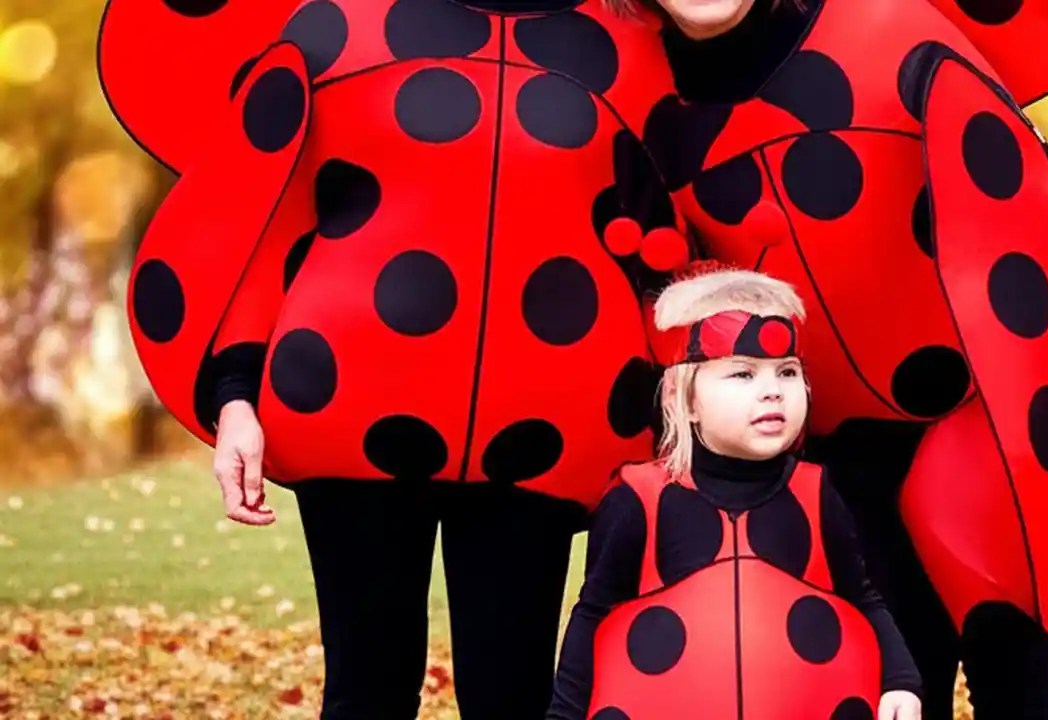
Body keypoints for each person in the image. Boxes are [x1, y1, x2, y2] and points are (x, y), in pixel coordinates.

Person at [604, 0, 1048, 717]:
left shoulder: (886, 28)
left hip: (977, 426)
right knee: (892, 690)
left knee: (1016, 678)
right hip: (827, 456)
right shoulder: (644, 102)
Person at [103, 0, 689, 717]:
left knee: (511, 695)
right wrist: (234, 397)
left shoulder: (631, 47)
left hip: (546, 423)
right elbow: (260, 221)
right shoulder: (334, 27)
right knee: (367, 692)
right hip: (350, 408)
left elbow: (670, 245)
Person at [547, 265, 924, 720]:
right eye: (743, 375)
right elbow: (593, 617)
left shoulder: (815, 492)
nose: (772, 392)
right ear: (682, 401)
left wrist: (901, 681)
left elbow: (862, 597)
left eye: (786, 372)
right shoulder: (639, 502)